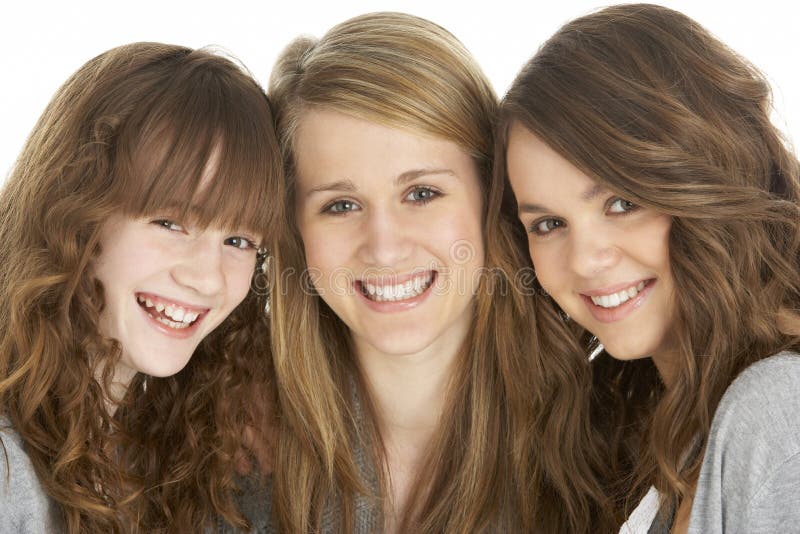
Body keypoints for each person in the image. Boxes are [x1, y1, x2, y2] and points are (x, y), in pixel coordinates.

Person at [257, 11, 599, 533]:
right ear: (293, 227)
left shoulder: (605, 433)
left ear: (492, 195)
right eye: (341, 205)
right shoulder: (225, 444)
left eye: (422, 193)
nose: (386, 248)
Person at [498, 4, 800, 533]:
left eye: (621, 203)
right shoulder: (636, 417)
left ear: (708, 177)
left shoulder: (778, 414)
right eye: (547, 224)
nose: (586, 260)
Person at [0, 42, 282, 533]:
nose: (207, 277)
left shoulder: (183, 457)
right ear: (75, 211)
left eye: (238, 239)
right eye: (170, 223)